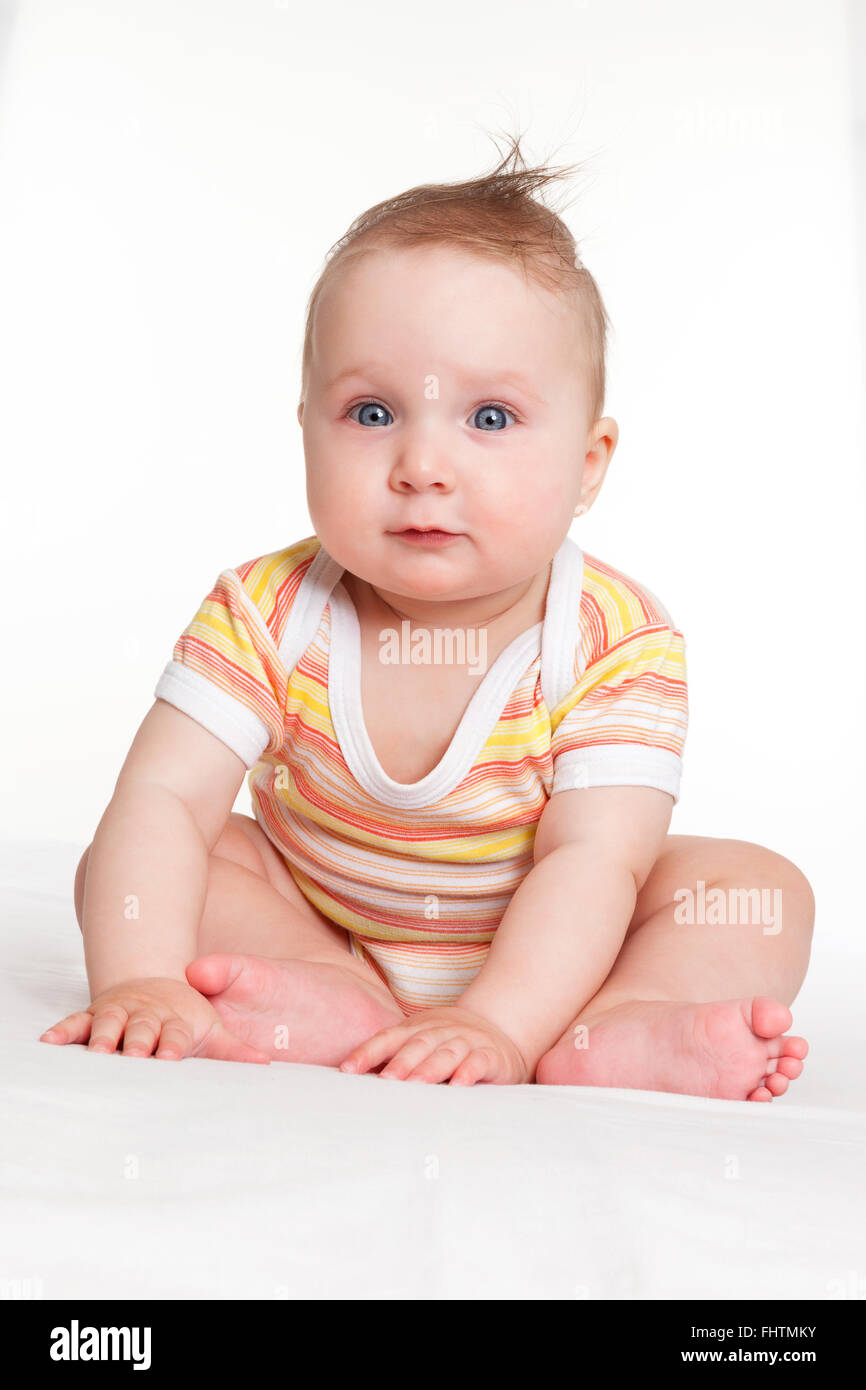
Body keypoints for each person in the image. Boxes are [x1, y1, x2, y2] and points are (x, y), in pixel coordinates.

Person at [45, 136, 813, 1098]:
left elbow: (592, 862)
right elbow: (165, 796)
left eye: (490, 418)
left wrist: (496, 1021)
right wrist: (141, 977)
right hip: (332, 922)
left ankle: (611, 1029)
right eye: (372, 414)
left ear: (588, 465)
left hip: (560, 963)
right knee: (165, 856)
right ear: (306, 431)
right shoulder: (265, 611)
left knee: (755, 892)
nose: (422, 465)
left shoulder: (617, 640)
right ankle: (329, 997)